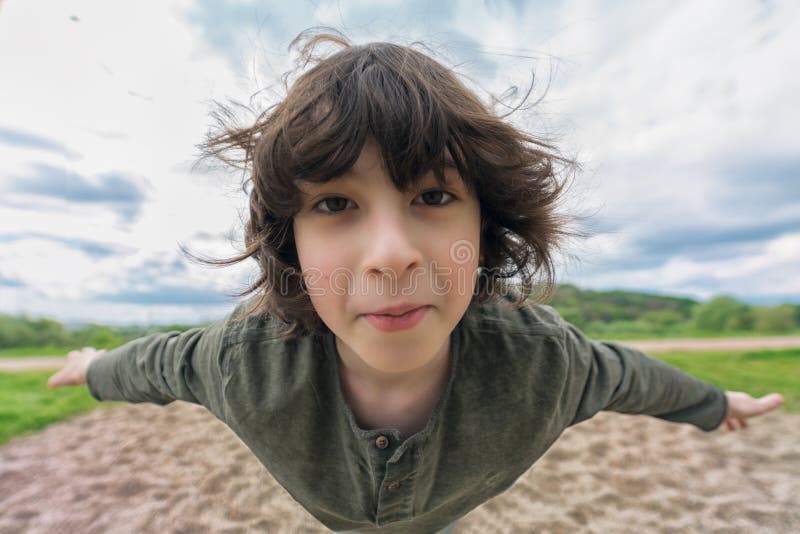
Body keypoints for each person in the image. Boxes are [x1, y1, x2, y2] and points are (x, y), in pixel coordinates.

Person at [47, 29, 784, 533]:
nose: (392, 255)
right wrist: (92, 368)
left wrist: (714, 404)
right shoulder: (244, 365)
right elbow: (159, 363)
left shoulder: (542, 365)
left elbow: (627, 376)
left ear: (484, 229)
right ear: (290, 247)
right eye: (336, 204)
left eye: (432, 197)